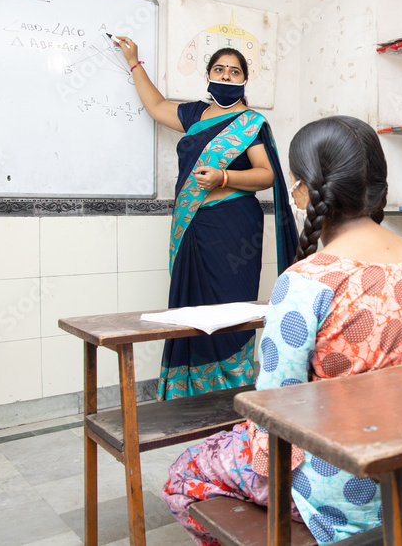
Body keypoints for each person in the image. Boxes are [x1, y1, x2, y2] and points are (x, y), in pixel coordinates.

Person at [162, 116, 402, 545]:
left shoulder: (307, 281)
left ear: (302, 190)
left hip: (340, 496)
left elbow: (273, 413)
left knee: (185, 474)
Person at [115, 37, 298, 400]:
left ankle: (234, 390)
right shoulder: (195, 115)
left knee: (230, 309)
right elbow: (154, 105)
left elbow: (266, 175)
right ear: (208, 76)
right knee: (190, 309)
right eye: (219, 70)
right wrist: (134, 62)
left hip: (234, 231)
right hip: (193, 228)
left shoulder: (251, 123)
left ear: (244, 80)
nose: (226, 77)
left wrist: (224, 177)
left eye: (234, 72)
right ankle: (191, 394)